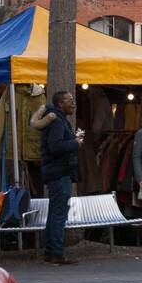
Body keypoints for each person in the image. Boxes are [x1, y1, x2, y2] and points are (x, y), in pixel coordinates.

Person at [40, 90, 84, 266]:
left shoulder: (55, 119)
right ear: (60, 104)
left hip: (56, 172)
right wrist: (75, 143)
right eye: (70, 101)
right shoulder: (57, 122)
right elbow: (55, 146)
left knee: (55, 212)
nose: (73, 103)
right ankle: (56, 253)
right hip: (60, 173)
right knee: (59, 213)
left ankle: (50, 251)